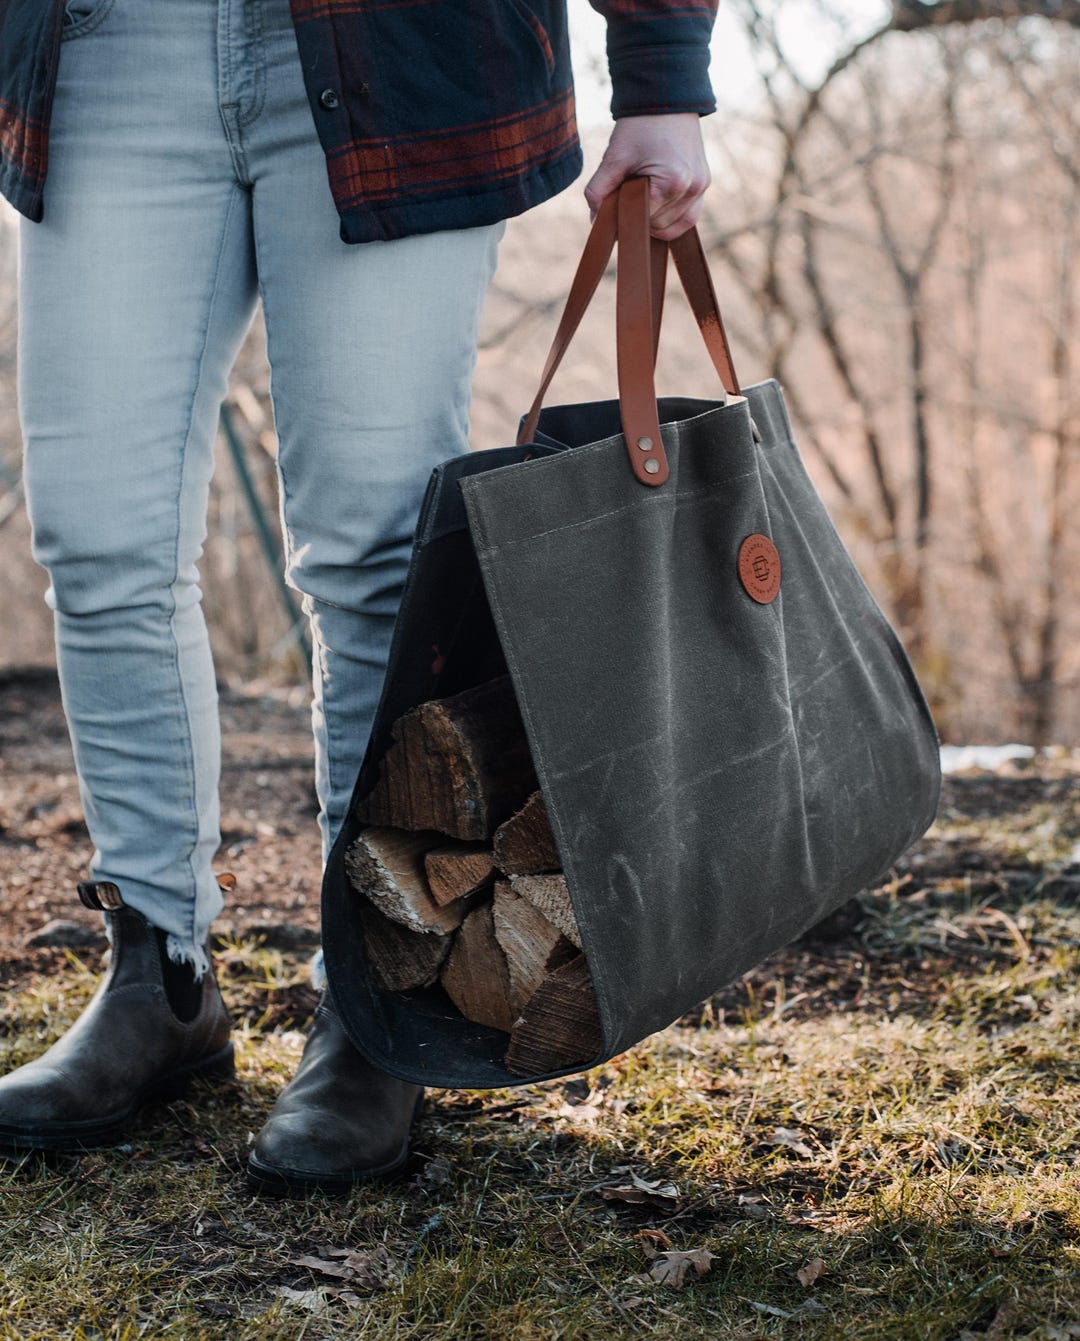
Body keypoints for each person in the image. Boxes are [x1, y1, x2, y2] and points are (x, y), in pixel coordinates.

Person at [0, 0, 717, 1194]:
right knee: (100, 539)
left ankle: (371, 998)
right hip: (104, 46)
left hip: (396, 50)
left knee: (373, 553)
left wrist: (661, 74)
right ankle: (158, 976)